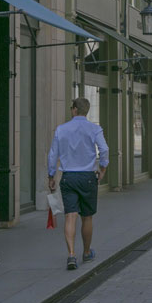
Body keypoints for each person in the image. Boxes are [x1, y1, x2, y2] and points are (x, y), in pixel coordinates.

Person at [48, 97, 109, 271]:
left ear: (74, 109)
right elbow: (104, 149)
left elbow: (53, 155)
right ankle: (87, 252)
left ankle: (71, 254)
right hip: (88, 176)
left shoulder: (61, 129)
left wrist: (51, 175)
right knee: (87, 217)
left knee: (70, 216)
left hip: (69, 177)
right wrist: (102, 168)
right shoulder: (95, 129)